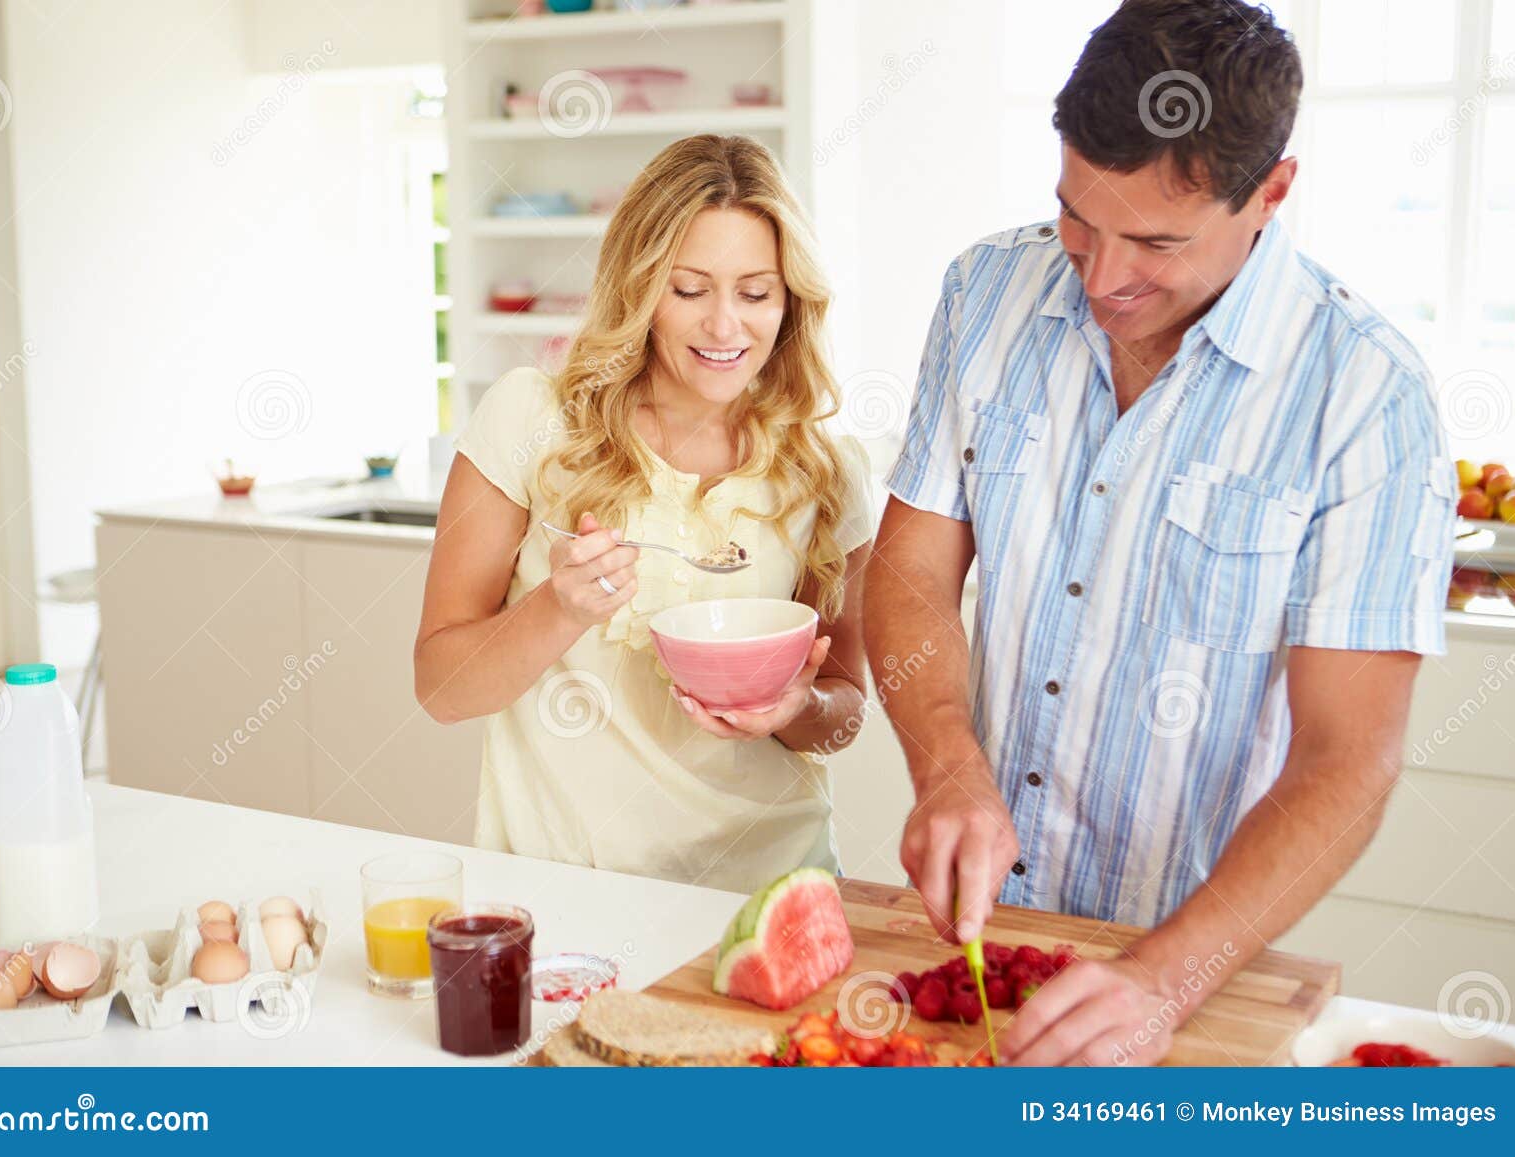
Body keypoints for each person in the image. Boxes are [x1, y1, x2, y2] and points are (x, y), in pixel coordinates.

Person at [866, 0, 1453, 1065]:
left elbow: (1346, 758)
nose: (1099, 278)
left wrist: (1165, 977)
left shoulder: (1365, 395)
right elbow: (908, 571)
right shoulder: (981, 293)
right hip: (983, 946)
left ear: (1270, 192)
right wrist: (948, 765)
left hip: (1192, 968)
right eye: (1078, 219)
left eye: (1156, 241)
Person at [415, 134, 877, 893]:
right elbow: (440, 688)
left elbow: (847, 715)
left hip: (769, 886)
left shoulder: (826, 468)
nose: (725, 326)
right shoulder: (534, 418)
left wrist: (797, 705)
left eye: (755, 293)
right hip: (569, 887)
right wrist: (555, 610)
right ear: (639, 289)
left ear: (791, 299)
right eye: (689, 289)